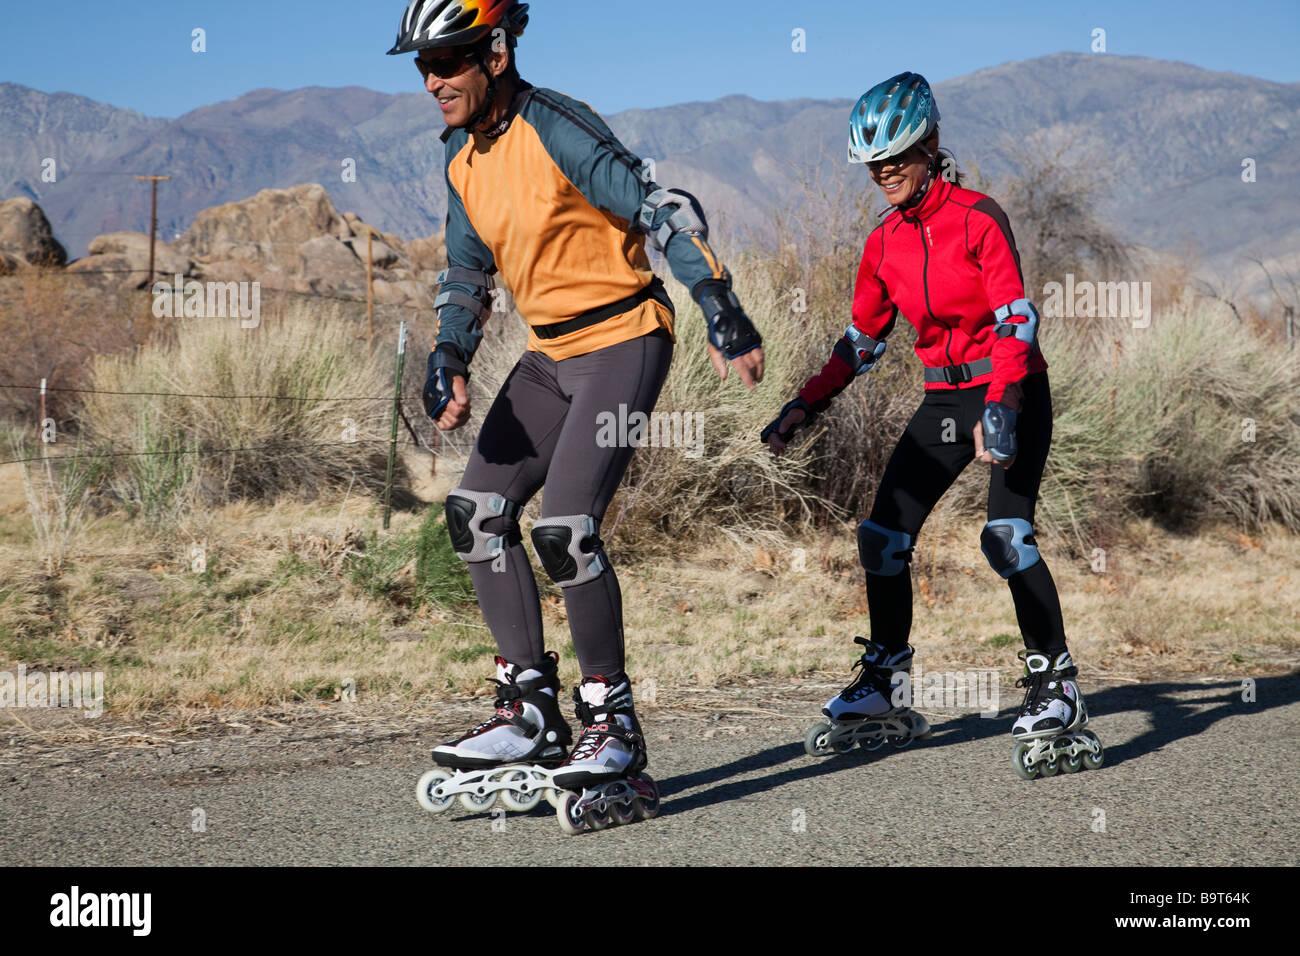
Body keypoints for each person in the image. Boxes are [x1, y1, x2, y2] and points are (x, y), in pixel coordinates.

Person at [391, 0, 765, 830]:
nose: (432, 81)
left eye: (446, 61)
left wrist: (717, 302)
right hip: (548, 355)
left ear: (493, 52)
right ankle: (528, 710)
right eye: (421, 66)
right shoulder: (460, 155)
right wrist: (448, 355)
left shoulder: (556, 126)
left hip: (626, 339)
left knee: (565, 528)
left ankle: (614, 727)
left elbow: (660, 207)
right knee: (475, 514)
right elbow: (464, 271)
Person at [764, 72, 1102, 778]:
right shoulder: (883, 243)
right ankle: (886, 679)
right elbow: (861, 339)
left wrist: (1003, 407)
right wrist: (805, 403)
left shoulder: (979, 217)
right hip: (945, 402)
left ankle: (1057, 685)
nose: (885, 171)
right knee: (882, 537)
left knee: (1006, 536)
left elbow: (1017, 318)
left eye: (899, 156)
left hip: (1012, 387)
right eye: (874, 163)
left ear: (931, 146)